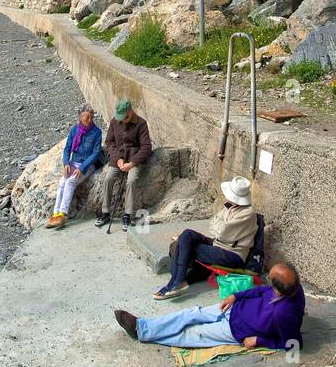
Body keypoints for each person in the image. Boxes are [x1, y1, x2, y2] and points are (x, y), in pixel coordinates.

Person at [113, 262, 305, 351]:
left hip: (235, 330)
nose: (268, 283)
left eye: (271, 281)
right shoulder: (292, 286)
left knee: (193, 333)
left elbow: (294, 344)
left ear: (279, 289)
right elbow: (261, 291)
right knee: (191, 313)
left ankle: (144, 333)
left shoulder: (284, 314)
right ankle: (142, 327)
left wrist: (260, 340)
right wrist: (234, 296)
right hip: (234, 309)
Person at [153, 175, 256, 300]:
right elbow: (213, 223)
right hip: (219, 244)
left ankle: (176, 281)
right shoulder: (230, 207)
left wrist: (220, 226)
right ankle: (180, 280)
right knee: (186, 235)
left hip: (232, 254)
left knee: (182, 246)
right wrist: (220, 226)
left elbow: (223, 232)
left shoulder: (247, 214)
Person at [97, 99, 152, 229]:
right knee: (108, 178)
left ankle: (127, 215)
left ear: (131, 112)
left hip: (134, 159)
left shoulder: (141, 123)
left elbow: (146, 147)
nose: (122, 120)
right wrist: (118, 159)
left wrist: (132, 163)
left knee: (131, 180)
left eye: (125, 117)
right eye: (120, 117)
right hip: (118, 158)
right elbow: (110, 143)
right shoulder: (114, 121)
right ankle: (105, 212)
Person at [45, 105, 102, 229]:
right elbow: (67, 149)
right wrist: (66, 163)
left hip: (87, 165)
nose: (90, 120)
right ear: (80, 117)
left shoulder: (97, 132)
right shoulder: (74, 130)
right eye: (87, 118)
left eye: (91, 118)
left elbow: (95, 153)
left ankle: (62, 214)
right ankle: (55, 214)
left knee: (70, 182)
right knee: (62, 183)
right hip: (73, 162)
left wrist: (82, 168)